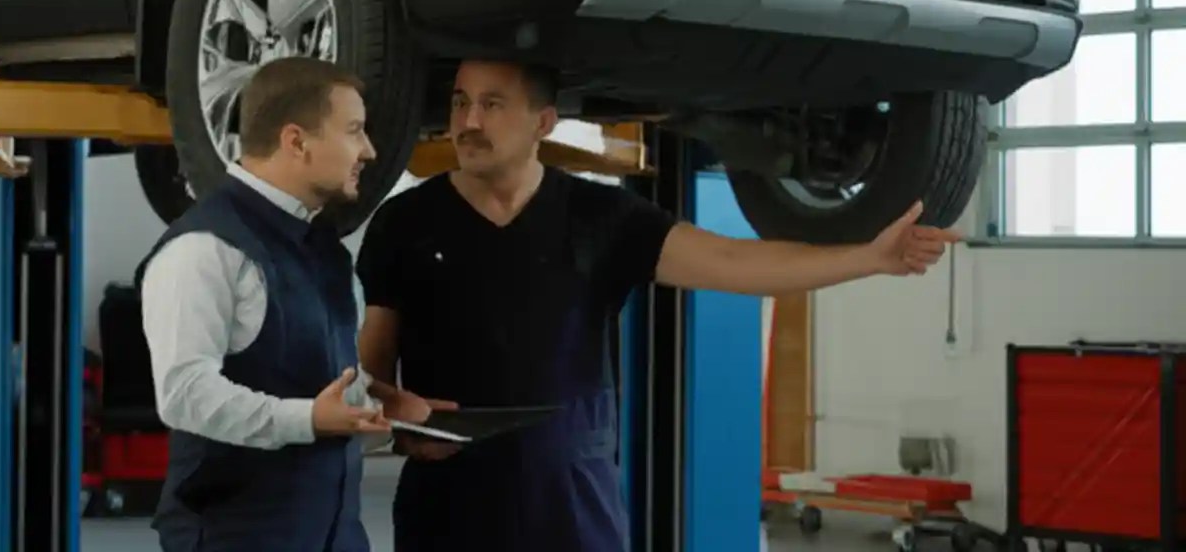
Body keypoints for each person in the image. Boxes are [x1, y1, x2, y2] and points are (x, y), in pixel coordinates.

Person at [354, 59, 961, 552]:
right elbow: (370, 372)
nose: (468, 121)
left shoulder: (601, 217)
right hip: (448, 512)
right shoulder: (405, 223)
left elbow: (733, 262)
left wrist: (869, 257)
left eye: (492, 104)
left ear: (544, 122)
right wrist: (396, 422)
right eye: (460, 102)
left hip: (574, 512)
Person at [136, 57, 396, 552]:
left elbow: (312, 376)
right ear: (296, 141)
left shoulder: (326, 250)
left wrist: (381, 404)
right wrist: (308, 419)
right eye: (354, 131)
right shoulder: (205, 249)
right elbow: (185, 393)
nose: (369, 150)